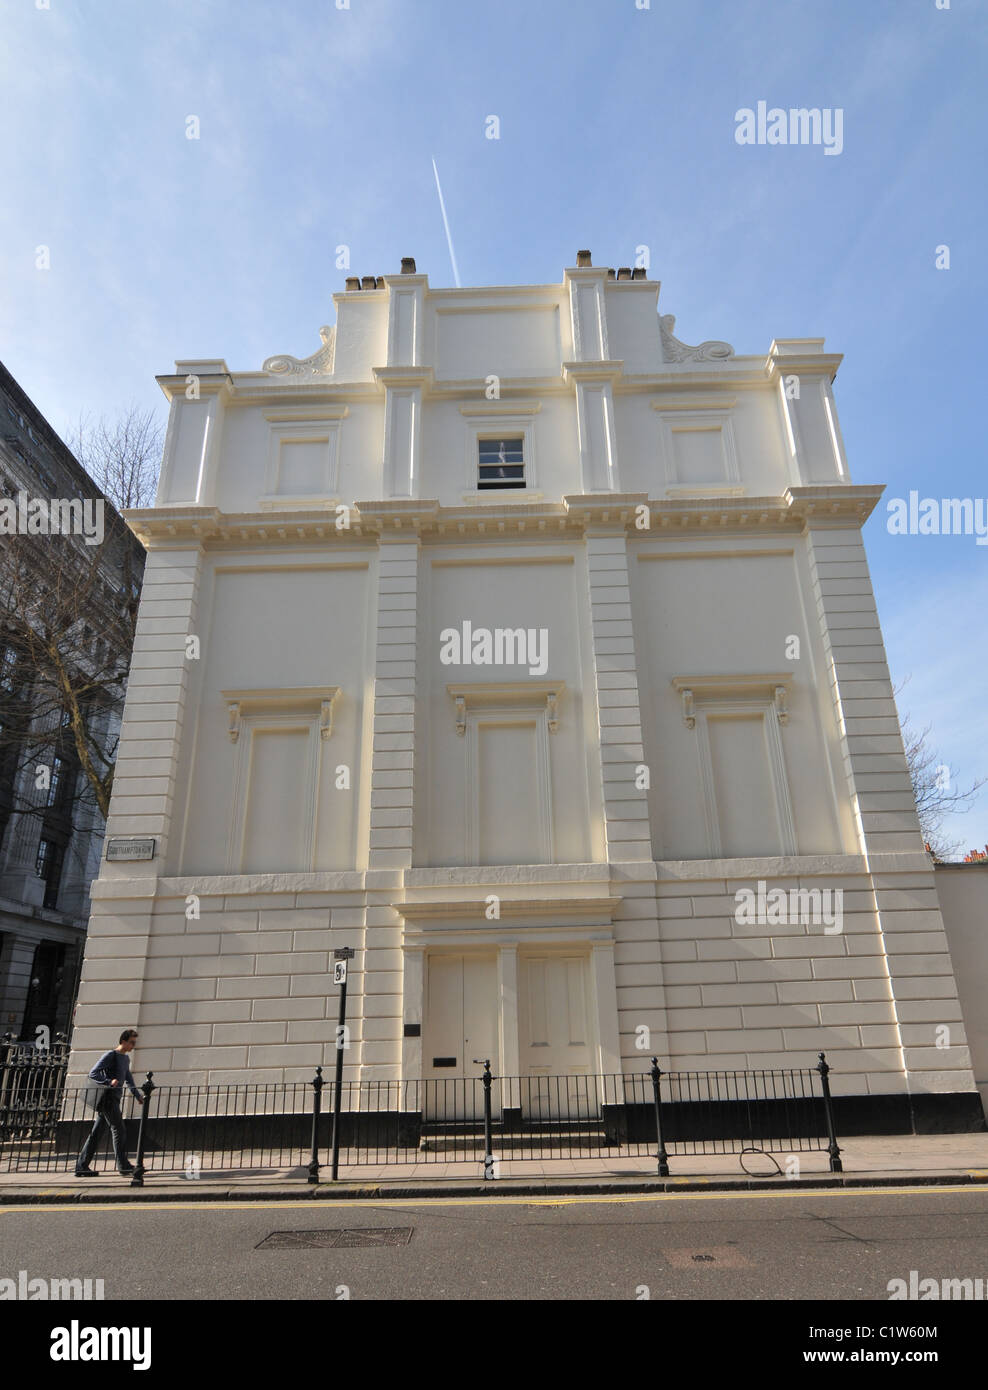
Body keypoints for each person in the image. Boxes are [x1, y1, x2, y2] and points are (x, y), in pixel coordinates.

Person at [75, 1029, 144, 1177]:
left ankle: (81, 1165)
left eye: (134, 1043)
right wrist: (108, 1081)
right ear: (123, 1041)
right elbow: (93, 1073)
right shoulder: (110, 1055)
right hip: (108, 1099)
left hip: (115, 1099)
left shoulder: (125, 1059)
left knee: (96, 1133)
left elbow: (128, 1077)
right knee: (119, 1130)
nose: (133, 1046)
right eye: (131, 1042)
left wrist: (137, 1094)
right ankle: (123, 1166)